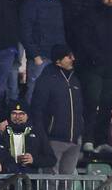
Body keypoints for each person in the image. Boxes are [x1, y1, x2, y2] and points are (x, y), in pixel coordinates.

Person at [27, 45, 85, 174]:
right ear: (58, 60)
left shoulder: (75, 79)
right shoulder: (46, 80)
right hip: (53, 139)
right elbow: (37, 110)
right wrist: (43, 136)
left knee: (67, 183)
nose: (72, 59)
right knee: (50, 182)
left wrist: (80, 131)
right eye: (68, 56)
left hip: (74, 139)